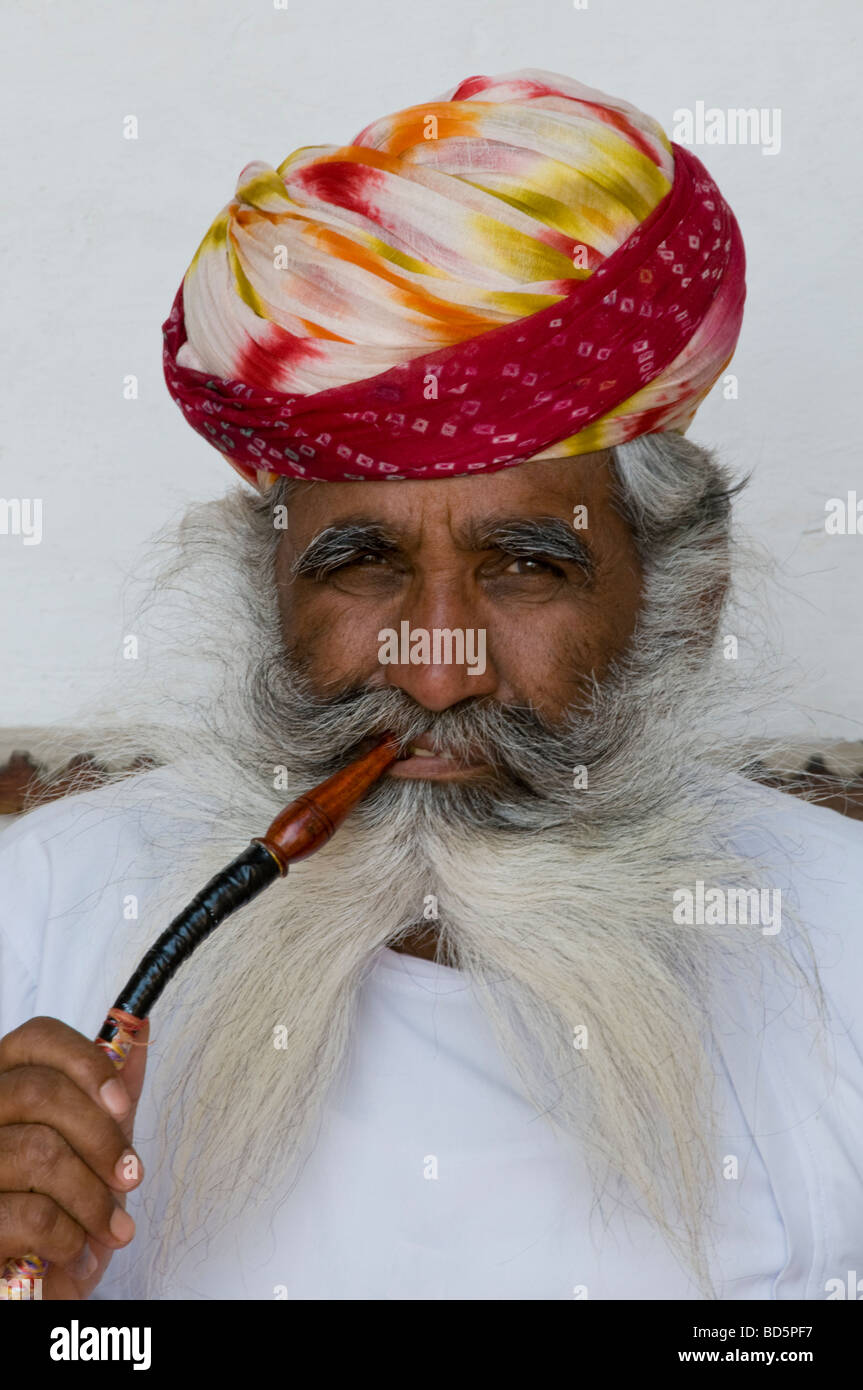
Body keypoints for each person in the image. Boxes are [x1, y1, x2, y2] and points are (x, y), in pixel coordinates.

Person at [1, 68, 860, 1302]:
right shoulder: (41, 922)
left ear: (681, 597)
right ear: (270, 592)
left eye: (527, 564)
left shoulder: (840, 946)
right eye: (361, 564)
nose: (440, 667)